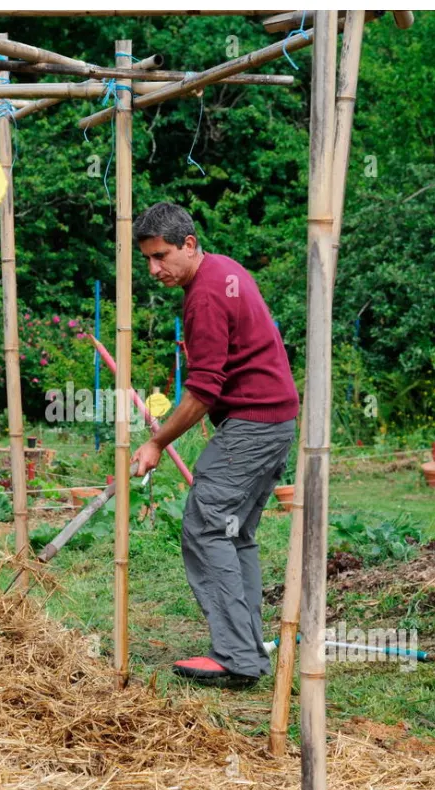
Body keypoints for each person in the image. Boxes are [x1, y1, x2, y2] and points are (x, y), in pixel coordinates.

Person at [129, 202, 299, 686]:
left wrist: (157, 442)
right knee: (233, 532)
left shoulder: (204, 296)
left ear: (188, 244)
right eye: (147, 259)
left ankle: (236, 657)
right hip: (276, 419)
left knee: (206, 528)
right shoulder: (224, 268)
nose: (153, 269)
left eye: (160, 256)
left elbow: (203, 390)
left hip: (252, 425)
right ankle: (248, 650)